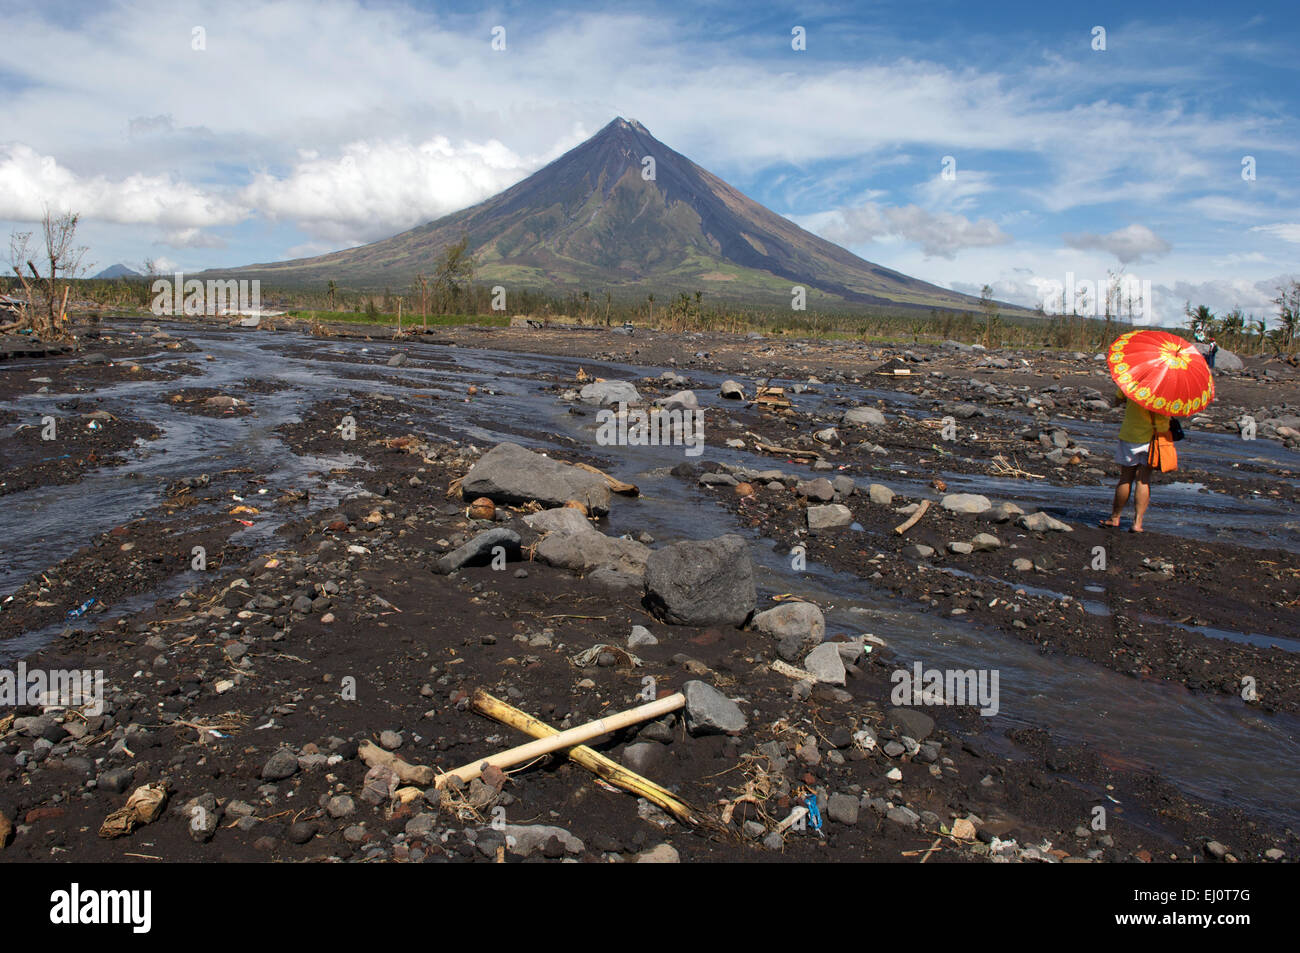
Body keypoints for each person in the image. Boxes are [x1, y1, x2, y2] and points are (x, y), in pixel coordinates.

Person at [1100, 389, 1173, 533]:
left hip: (1131, 434)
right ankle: (1137, 522)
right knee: (1143, 480)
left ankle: (1115, 517)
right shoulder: (1170, 388)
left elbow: (1118, 401)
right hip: (1156, 438)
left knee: (1126, 478)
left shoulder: (1133, 381)